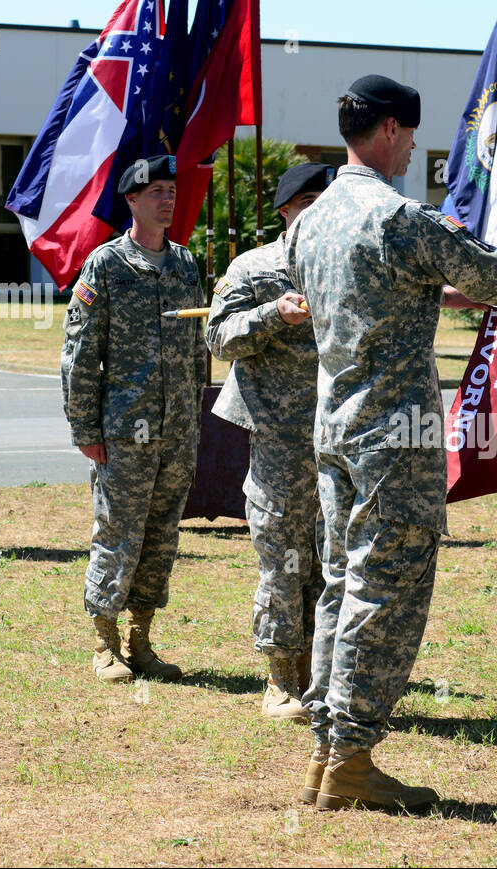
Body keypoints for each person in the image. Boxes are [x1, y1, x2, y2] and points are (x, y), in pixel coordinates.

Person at [286, 74, 497, 812]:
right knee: (385, 591)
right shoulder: (399, 218)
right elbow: (493, 270)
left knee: (341, 586)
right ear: (387, 130)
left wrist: (437, 292)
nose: (414, 147)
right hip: (394, 438)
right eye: (411, 134)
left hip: (335, 430)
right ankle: (351, 757)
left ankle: (327, 748)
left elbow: (364, 288)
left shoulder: (309, 223)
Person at [61, 155, 206, 684]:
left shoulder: (187, 264)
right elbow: (79, 352)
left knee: (161, 534)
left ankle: (141, 638)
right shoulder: (106, 265)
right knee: (118, 531)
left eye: (172, 190)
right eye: (157, 192)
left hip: (177, 429)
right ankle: (105, 641)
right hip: (125, 429)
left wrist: (195, 415)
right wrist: (85, 428)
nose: (168, 199)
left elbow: (197, 351)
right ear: (132, 200)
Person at [205, 161, 336, 721]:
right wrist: (270, 315)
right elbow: (217, 336)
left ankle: (324, 674)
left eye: (323, 204)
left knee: (332, 559)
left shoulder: (344, 264)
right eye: (306, 203)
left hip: (337, 434)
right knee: (283, 556)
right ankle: (282, 679)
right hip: (280, 438)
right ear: (285, 211)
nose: (316, 214)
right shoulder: (254, 267)